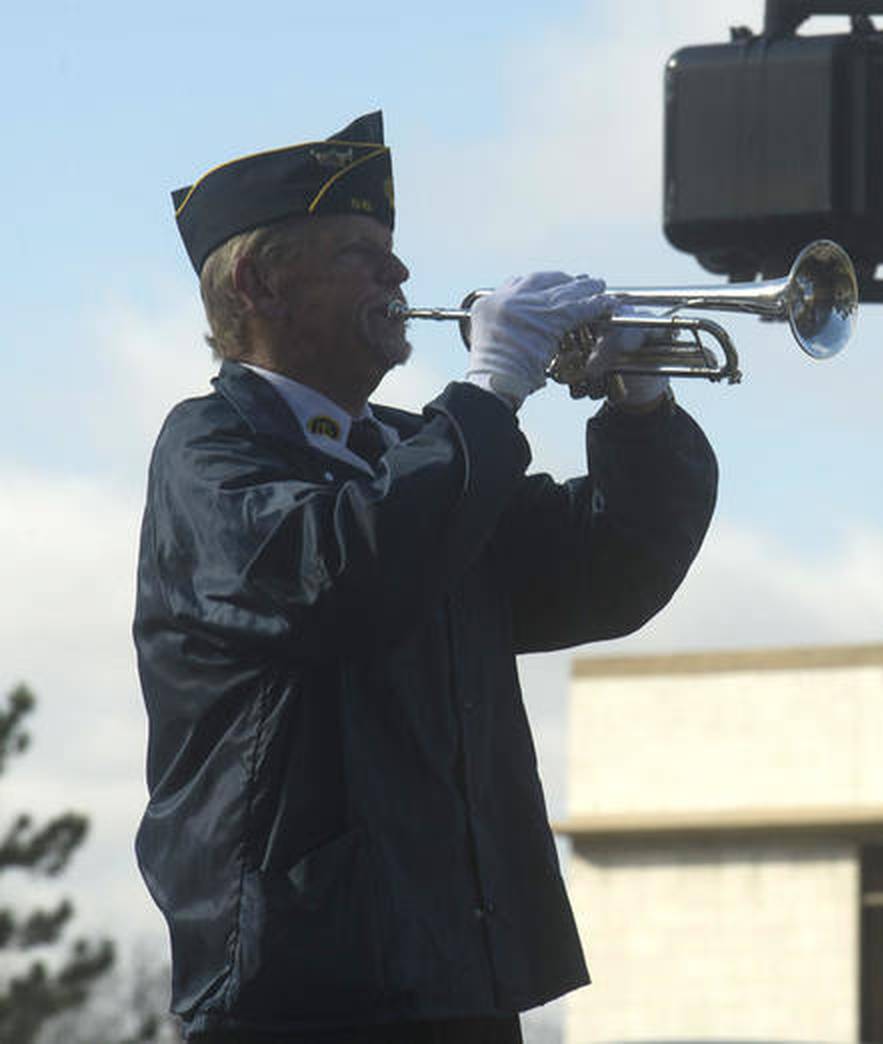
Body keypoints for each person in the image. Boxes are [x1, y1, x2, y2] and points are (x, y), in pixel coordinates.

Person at [134, 112, 718, 1043]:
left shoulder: (419, 449)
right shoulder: (210, 452)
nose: (399, 277)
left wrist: (640, 408)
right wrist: (490, 391)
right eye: (363, 255)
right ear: (259, 283)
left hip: (461, 976)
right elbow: (337, 578)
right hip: (302, 993)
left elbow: (608, 572)